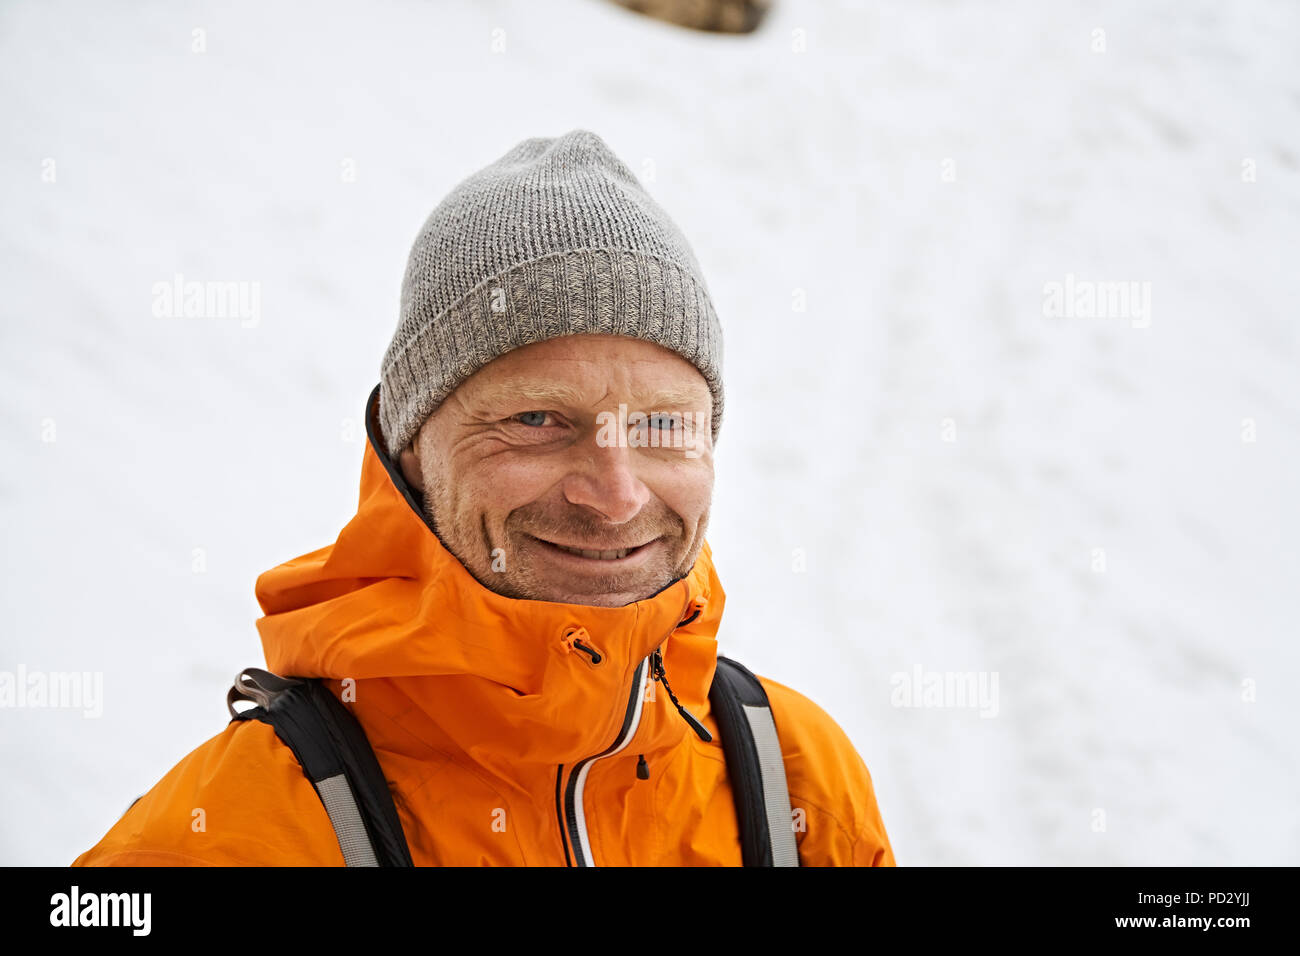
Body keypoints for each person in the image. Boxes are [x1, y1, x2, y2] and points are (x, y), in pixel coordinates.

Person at [72, 129, 895, 866]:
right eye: (537, 420)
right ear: (410, 455)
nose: (614, 492)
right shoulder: (220, 842)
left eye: (661, 425)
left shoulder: (796, 785)